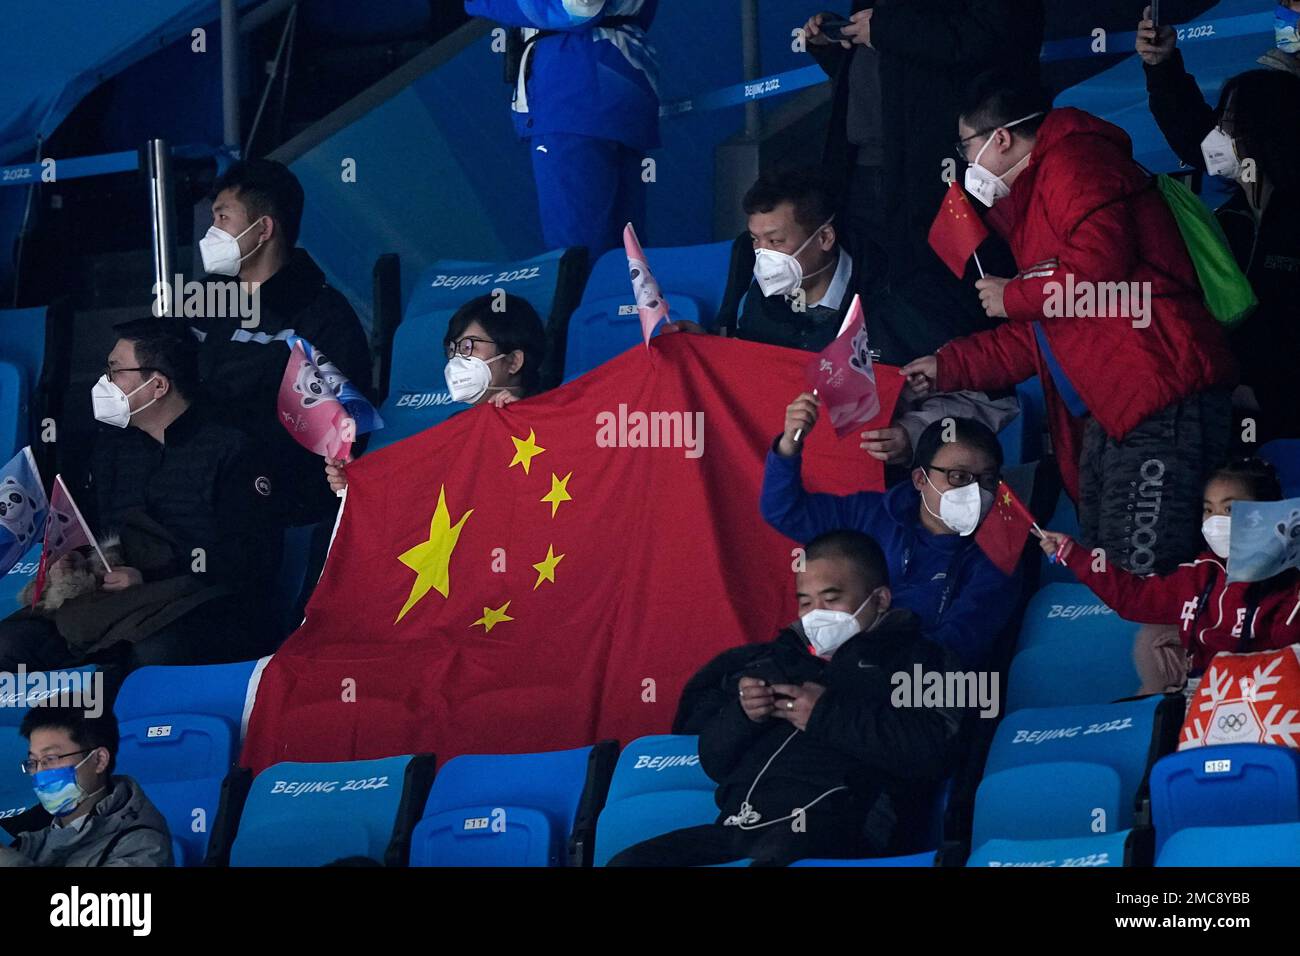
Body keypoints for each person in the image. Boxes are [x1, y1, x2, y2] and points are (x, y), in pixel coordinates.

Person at [901, 73, 1237, 576]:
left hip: (1157, 391)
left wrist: (1012, 294)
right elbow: (1041, 332)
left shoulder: (1075, 161)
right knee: (1112, 570)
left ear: (1001, 138)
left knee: (1144, 571)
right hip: (1113, 409)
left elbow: (1101, 264)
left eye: (966, 145)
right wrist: (947, 367)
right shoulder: (1031, 201)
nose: (966, 161)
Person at [607, 530, 961, 866]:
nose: (815, 614)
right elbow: (715, 762)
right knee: (628, 862)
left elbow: (935, 750)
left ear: (880, 599)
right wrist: (744, 716)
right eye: (806, 602)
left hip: (842, 827)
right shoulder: (774, 660)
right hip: (740, 827)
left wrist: (824, 714)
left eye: (831, 598)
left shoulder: (925, 659)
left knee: (778, 854)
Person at [680, 167, 1017, 467]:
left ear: (824, 237)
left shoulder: (905, 299)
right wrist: (707, 348)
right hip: (795, 476)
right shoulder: (761, 299)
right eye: (756, 240)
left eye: (776, 241)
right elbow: (759, 377)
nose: (763, 256)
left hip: (886, 483)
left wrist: (914, 435)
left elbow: (992, 400)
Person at [0, 319, 280, 671]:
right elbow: (91, 530)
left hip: (199, 601)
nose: (104, 382)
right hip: (108, 600)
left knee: (150, 652)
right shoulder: (111, 449)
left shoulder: (232, 450)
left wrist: (151, 575)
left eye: (115, 371)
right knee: (8, 645)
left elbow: (252, 558)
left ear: (158, 385)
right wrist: (74, 560)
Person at [763, 406, 1019, 669]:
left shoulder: (996, 558)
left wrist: (866, 670)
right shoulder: (870, 514)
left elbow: (957, 645)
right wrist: (788, 445)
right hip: (832, 666)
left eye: (987, 480)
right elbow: (785, 511)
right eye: (959, 477)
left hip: (914, 689)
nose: (974, 491)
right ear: (921, 479)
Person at [802, 1, 1045, 277]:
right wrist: (840, 37)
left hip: (942, 168)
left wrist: (887, 29)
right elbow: (889, 69)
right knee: (877, 297)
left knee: (949, 290)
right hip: (863, 169)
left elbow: (1001, 37)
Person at [194, 158, 372, 530]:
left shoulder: (323, 314)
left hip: (278, 504)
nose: (212, 231)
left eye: (223, 218)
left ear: (264, 229)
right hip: (199, 487)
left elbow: (341, 432)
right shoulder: (209, 305)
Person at [1039, 459, 1300, 694]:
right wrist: (1073, 554)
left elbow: (1287, 642)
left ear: (1268, 515)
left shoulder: (1287, 581)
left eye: (1230, 510)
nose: (1215, 521)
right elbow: (1134, 598)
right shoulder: (1196, 575)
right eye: (1208, 510)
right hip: (1204, 699)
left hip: (1269, 697)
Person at [463, 0, 659, 256]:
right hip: (621, 78)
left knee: (578, 254)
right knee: (629, 258)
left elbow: (579, 6)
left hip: (573, 89)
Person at [325, 293, 547, 494]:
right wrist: (356, 483)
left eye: (469, 347)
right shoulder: (456, 426)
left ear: (513, 361)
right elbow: (417, 489)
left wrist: (522, 424)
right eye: (453, 350)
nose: (457, 361)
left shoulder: (550, 421)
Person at [1198, 70, 1300, 446]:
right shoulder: (1221, 223)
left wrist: (1267, 398)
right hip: (1228, 424)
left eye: (1228, 124)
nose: (1217, 136)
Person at [0, 701, 171, 867]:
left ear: (99, 760)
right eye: (33, 762)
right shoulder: (34, 839)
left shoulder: (144, 846)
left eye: (50, 759)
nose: (40, 772)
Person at [1136, 2, 1300, 172]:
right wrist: (1162, 66)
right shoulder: (1270, 91)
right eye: (1287, 3)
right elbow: (1205, 149)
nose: (1289, 12)